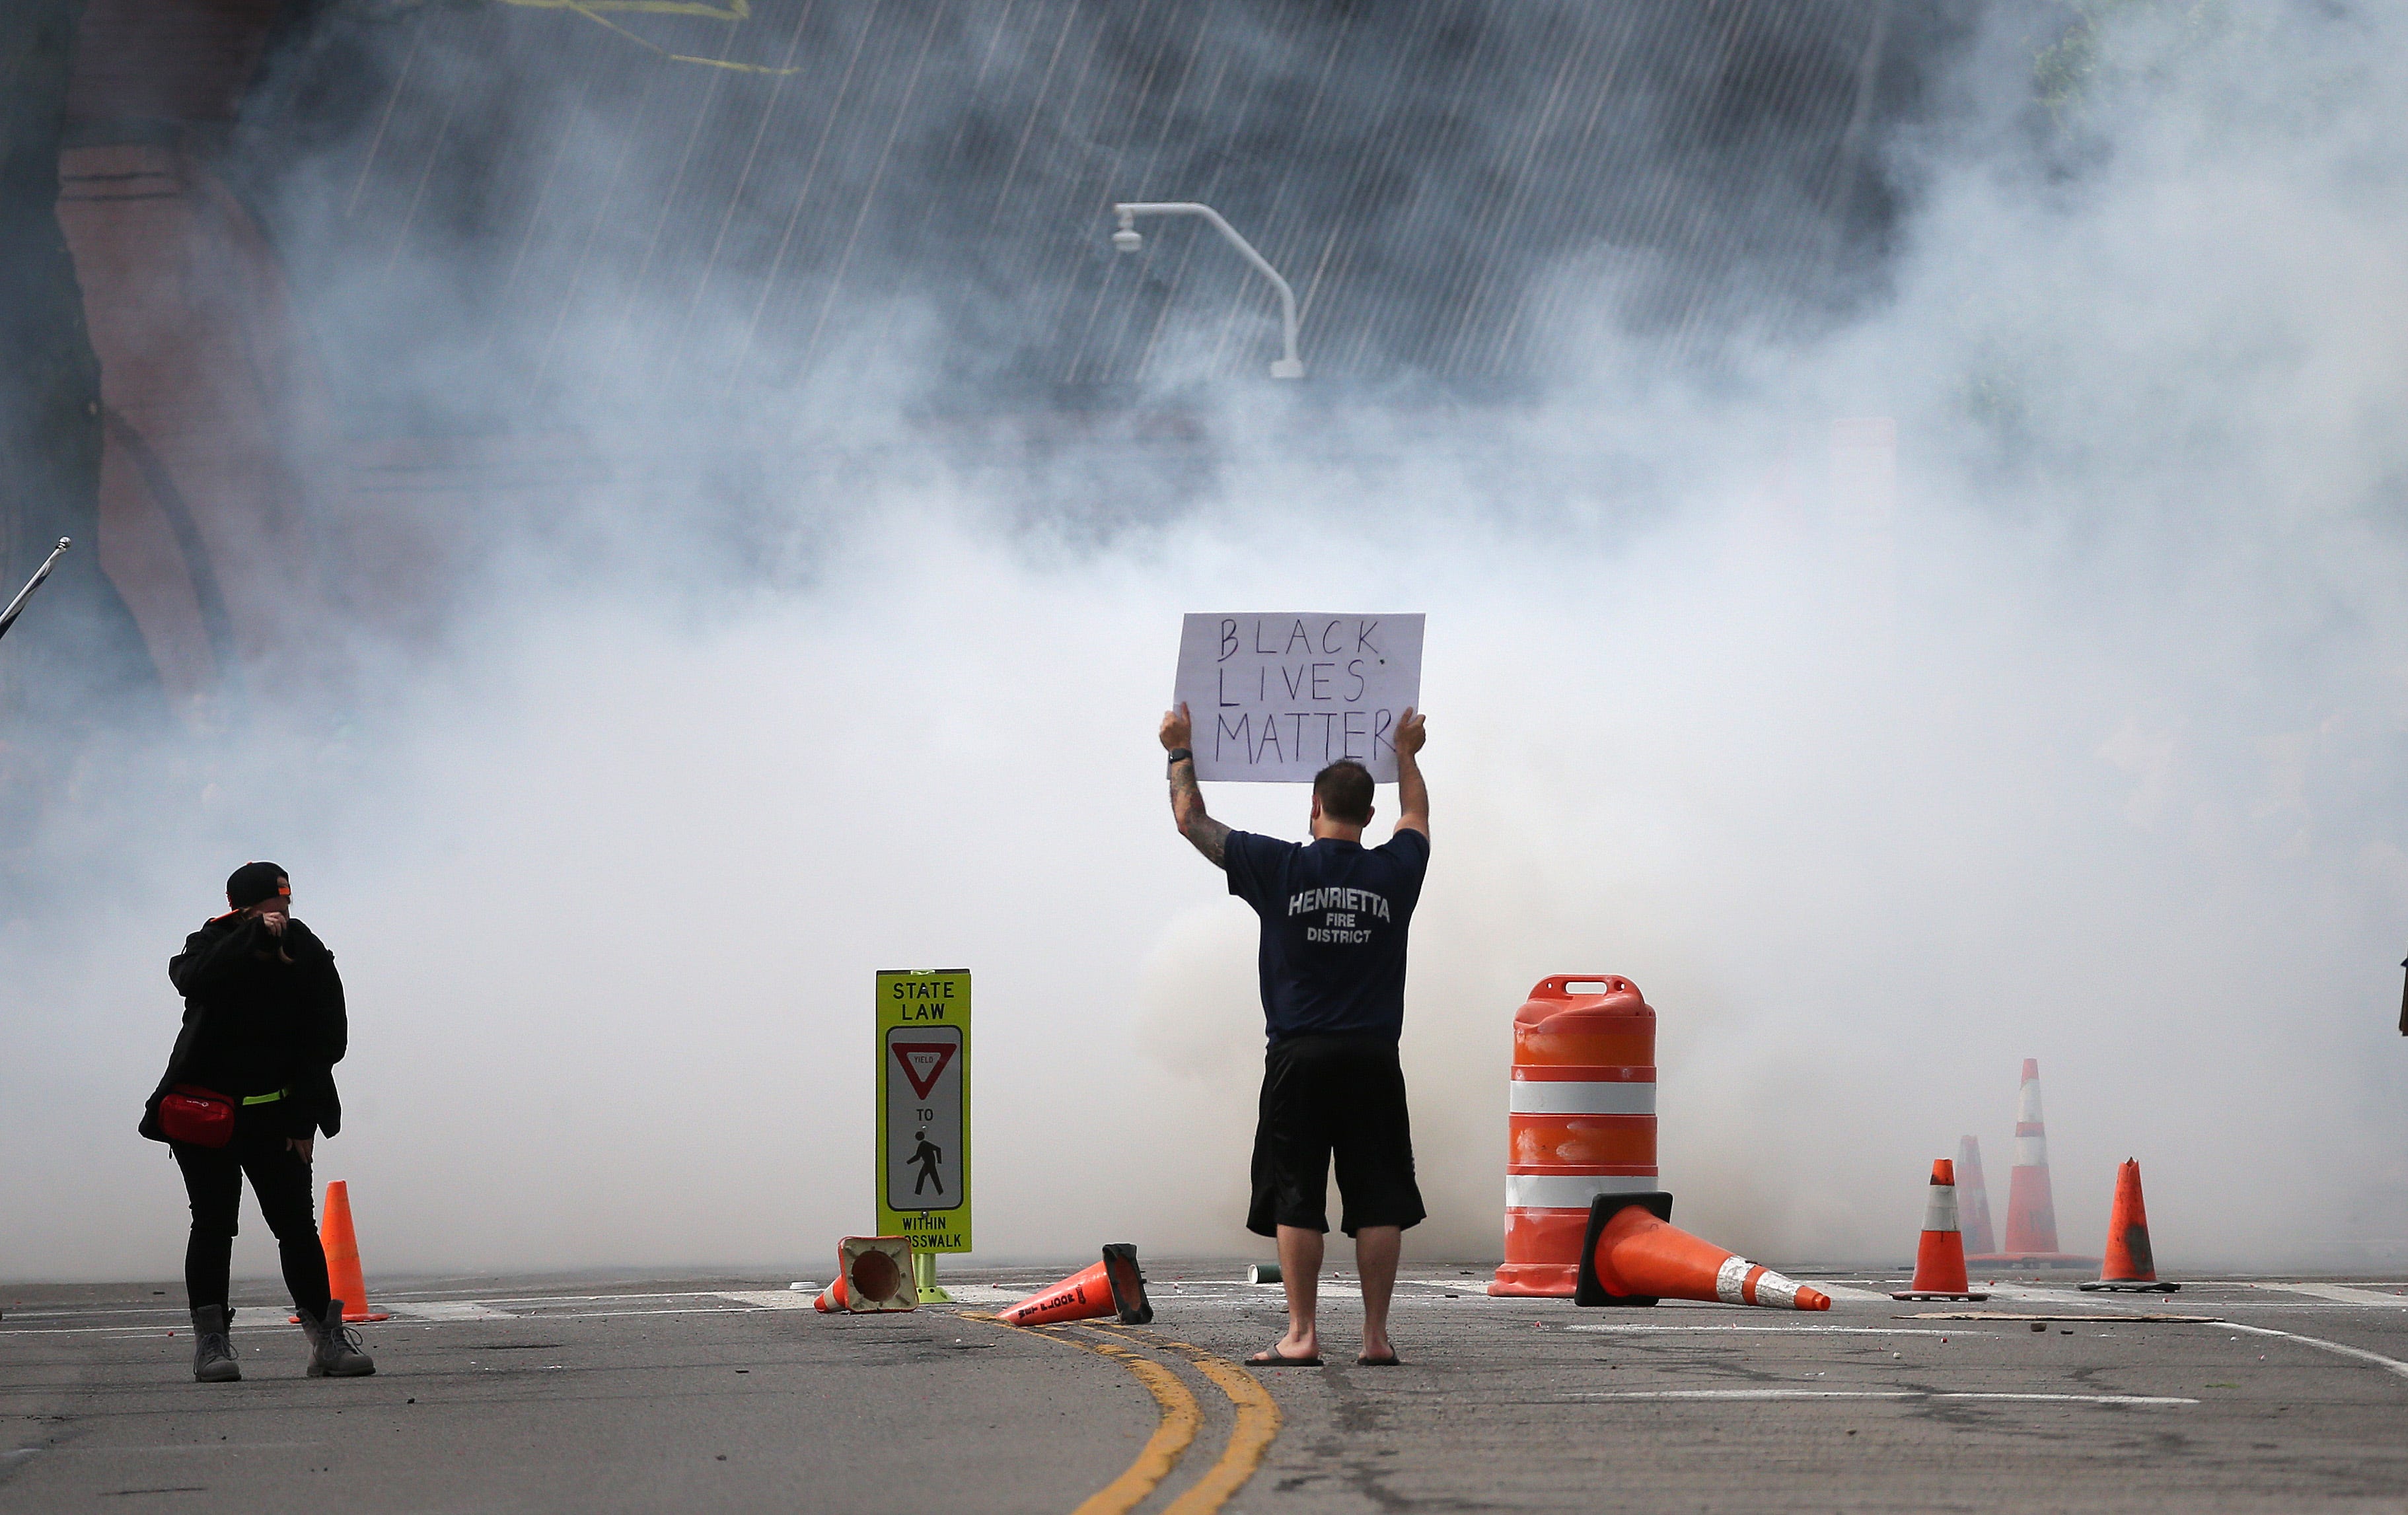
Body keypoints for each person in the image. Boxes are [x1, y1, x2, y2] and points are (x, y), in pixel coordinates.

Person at [1159, 701, 1430, 1368]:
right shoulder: (1395, 871)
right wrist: (1407, 753)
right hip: (1372, 1056)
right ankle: (1375, 1337)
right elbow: (1418, 817)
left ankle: (1302, 1333)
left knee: (1296, 1194)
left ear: (1314, 808)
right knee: (1379, 1197)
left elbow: (1191, 820)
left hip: (1298, 1057)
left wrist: (1179, 750)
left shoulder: (1277, 866)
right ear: (1369, 815)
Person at [139, 862, 373, 1380]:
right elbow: (190, 979)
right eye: (272, 903)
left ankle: (326, 1339)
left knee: (296, 1227)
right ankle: (212, 1346)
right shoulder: (211, 943)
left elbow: (327, 1039)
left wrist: (304, 1120)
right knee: (213, 1225)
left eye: (286, 902)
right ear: (243, 908)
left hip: (277, 1115)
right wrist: (250, 939)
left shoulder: (305, 948)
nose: (281, 911)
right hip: (207, 1117)